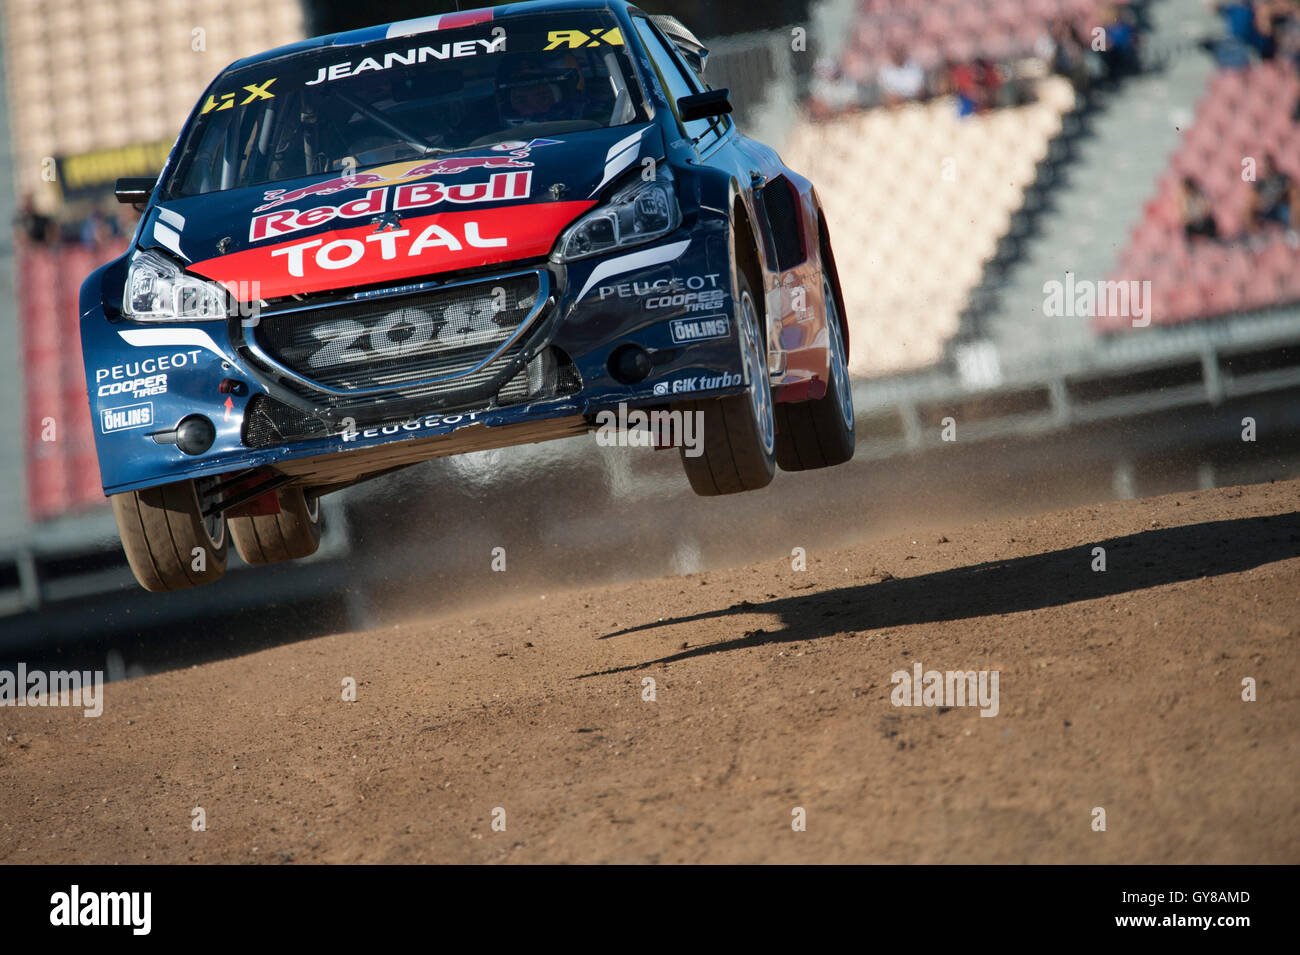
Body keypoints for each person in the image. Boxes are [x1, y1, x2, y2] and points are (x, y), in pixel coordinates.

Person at [1247, 153, 1298, 231]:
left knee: (1295, 206)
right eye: (1265, 165)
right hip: (1268, 209)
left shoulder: (1282, 178)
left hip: (1283, 207)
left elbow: (1293, 192)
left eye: (1269, 164)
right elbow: (1253, 199)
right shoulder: (1261, 182)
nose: (1267, 167)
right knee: (1249, 210)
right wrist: (1260, 204)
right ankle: (1256, 235)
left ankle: (1294, 231)